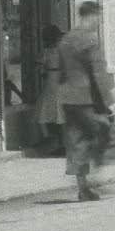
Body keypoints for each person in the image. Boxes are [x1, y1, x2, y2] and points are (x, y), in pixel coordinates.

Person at [57, 1, 113, 201]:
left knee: (76, 141)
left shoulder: (66, 40)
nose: (99, 21)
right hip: (87, 97)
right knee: (105, 132)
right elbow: (97, 73)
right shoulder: (90, 39)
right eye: (98, 17)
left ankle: (83, 188)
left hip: (68, 98)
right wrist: (106, 102)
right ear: (91, 16)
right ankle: (97, 175)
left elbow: (60, 70)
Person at [36, 24, 65, 154]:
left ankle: (52, 140)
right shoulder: (62, 50)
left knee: (47, 110)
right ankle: (61, 142)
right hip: (59, 79)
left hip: (51, 80)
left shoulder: (46, 52)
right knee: (59, 111)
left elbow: (39, 67)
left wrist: (43, 71)